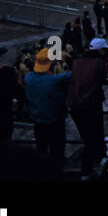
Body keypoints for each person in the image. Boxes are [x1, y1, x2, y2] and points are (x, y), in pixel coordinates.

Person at [69, 38, 108, 180]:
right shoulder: (100, 64)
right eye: (104, 49)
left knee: (88, 137)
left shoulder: (76, 62)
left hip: (75, 105)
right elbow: (103, 79)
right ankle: (89, 168)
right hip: (91, 104)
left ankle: (97, 161)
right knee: (94, 136)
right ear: (99, 50)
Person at [24, 48, 71, 176]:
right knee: (57, 151)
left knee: (42, 149)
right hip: (55, 120)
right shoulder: (54, 80)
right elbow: (71, 74)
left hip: (37, 120)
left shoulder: (28, 78)